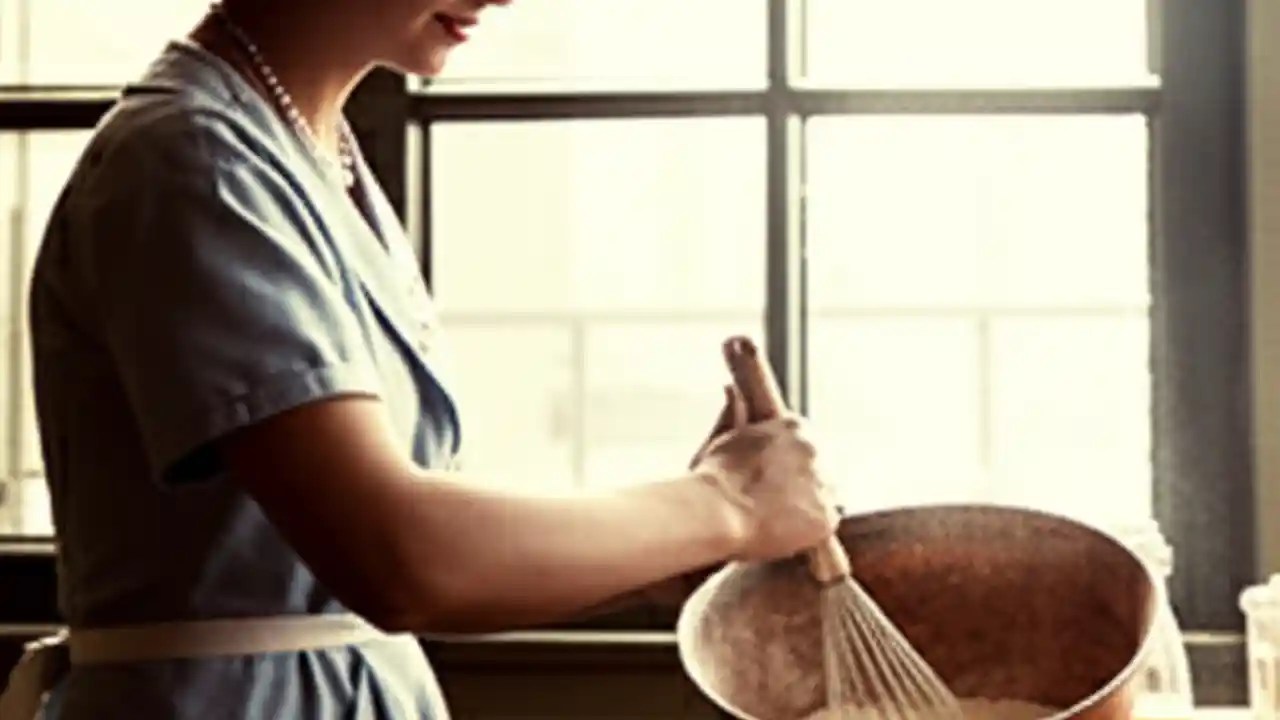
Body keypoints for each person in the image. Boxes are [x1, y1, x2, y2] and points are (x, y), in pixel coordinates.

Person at [2, 1, 839, 718]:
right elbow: (401, 558)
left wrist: (665, 551)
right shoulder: (190, 161)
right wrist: (723, 504)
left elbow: (421, 555)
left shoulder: (308, 149)